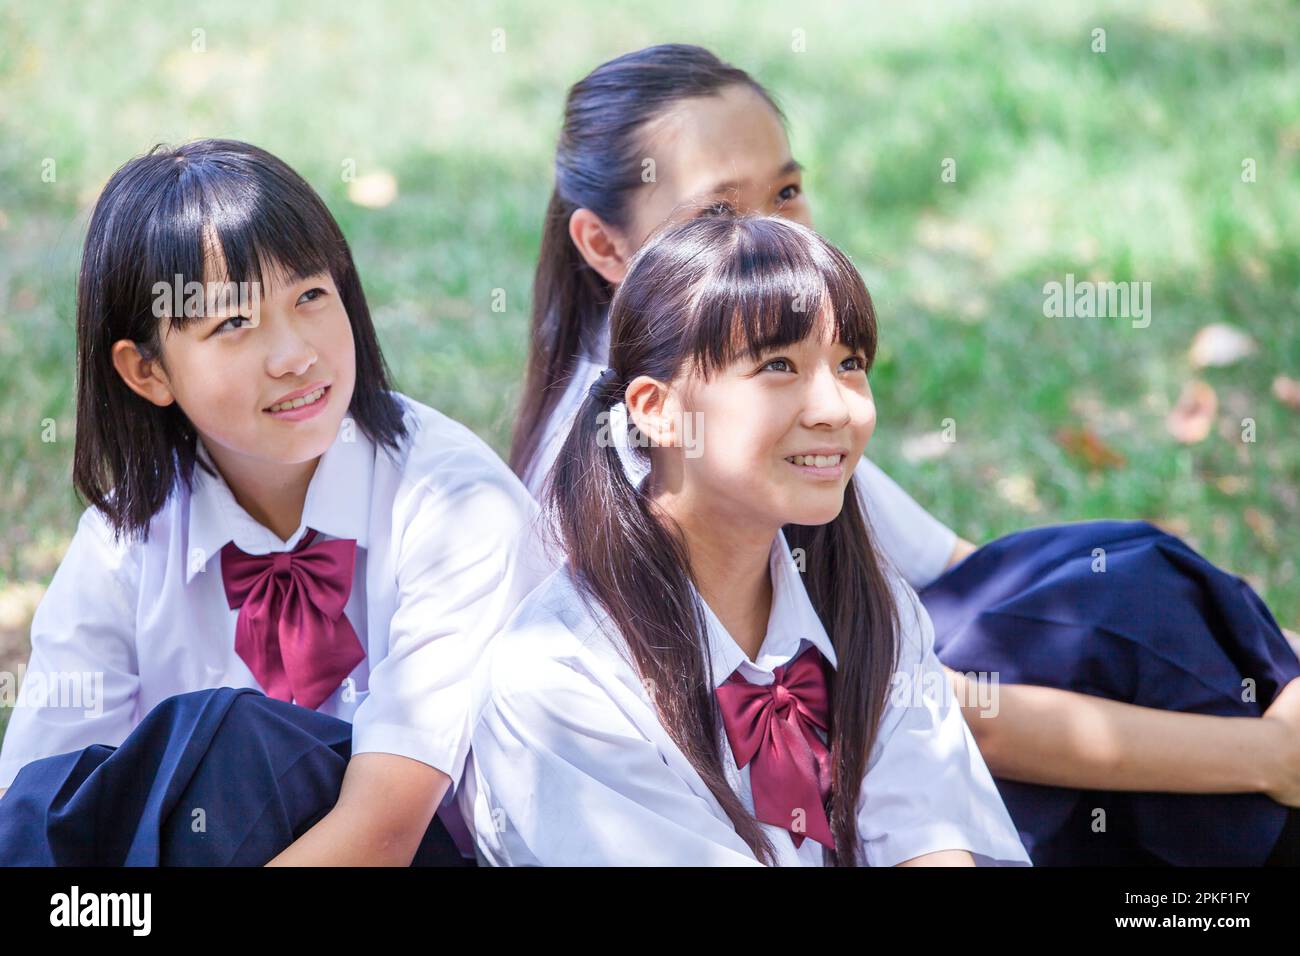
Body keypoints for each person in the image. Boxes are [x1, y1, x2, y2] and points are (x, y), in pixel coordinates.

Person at [507, 44, 1300, 865]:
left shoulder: (792, 428)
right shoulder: (657, 455)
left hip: (897, 761)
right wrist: (1263, 759)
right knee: (1131, 638)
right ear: (604, 246)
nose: (776, 234)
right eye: (722, 214)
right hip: (835, 783)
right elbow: (950, 709)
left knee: (1122, 575)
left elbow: (970, 580)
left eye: (787, 191)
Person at [0, 139, 548, 866]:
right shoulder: (125, 541)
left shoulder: (456, 509)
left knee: (233, 746)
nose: (295, 354)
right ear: (146, 370)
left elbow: (383, 833)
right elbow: (38, 811)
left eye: (311, 297)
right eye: (233, 323)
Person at [466, 213, 1032, 866]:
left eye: (850, 363)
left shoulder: (869, 610)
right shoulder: (561, 679)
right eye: (778, 365)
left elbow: (932, 846)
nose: (835, 408)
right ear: (658, 410)